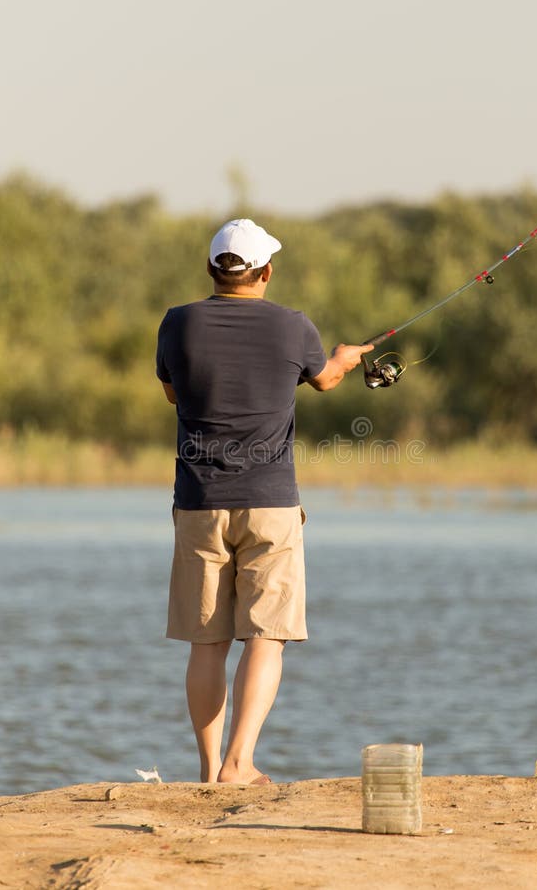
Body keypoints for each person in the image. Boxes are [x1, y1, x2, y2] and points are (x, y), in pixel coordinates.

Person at [156, 218, 372, 785]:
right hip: (270, 503)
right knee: (266, 636)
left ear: (211, 270)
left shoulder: (177, 323)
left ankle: (210, 772)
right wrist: (344, 358)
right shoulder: (293, 326)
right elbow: (325, 380)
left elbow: (174, 393)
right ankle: (239, 764)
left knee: (207, 642)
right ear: (266, 272)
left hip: (198, 502)